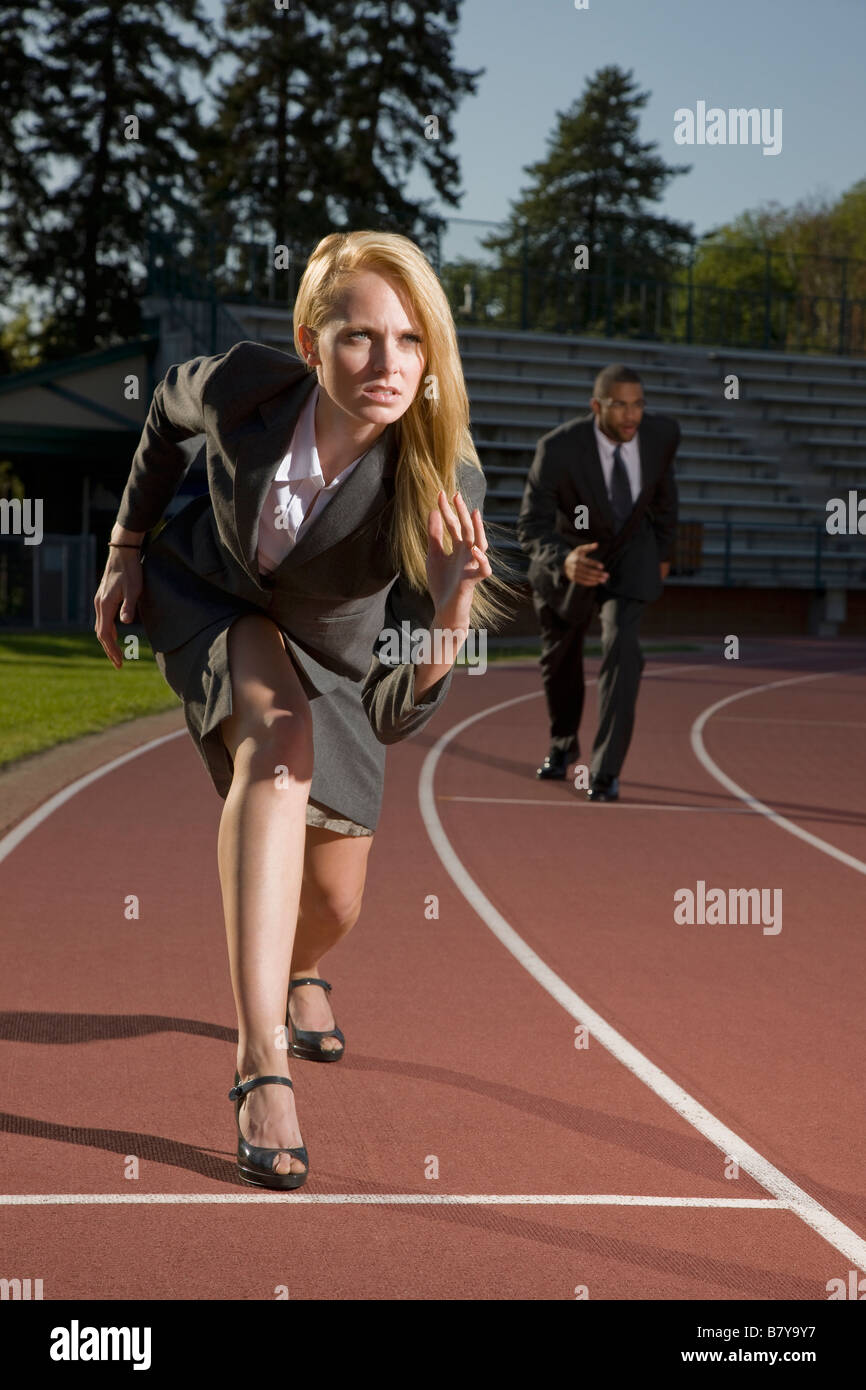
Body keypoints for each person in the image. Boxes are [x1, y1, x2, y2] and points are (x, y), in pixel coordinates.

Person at [94, 230, 515, 1190]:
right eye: (361, 336)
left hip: (338, 661)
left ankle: (298, 969)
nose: (390, 364)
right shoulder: (247, 385)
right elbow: (164, 411)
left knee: (333, 901)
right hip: (217, 598)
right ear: (309, 340)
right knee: (279, 760)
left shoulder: (443, 482)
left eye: (411, 340)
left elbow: (397, 711)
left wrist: (450, 609)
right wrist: (125, 544)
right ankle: (261, 1064)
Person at [516, 364, 679, 801]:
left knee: (623, 651)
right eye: (620, 405)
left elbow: (664, 498)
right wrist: (565, 559)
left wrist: (663, 553)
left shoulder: (662, 436)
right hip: (571, 559)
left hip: (630, 559)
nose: (631, 415)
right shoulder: (558, 449)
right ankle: (563, 743)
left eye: (638, 404)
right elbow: (530, 526)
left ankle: (606, 772)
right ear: (596, 406)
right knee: (560, 659)